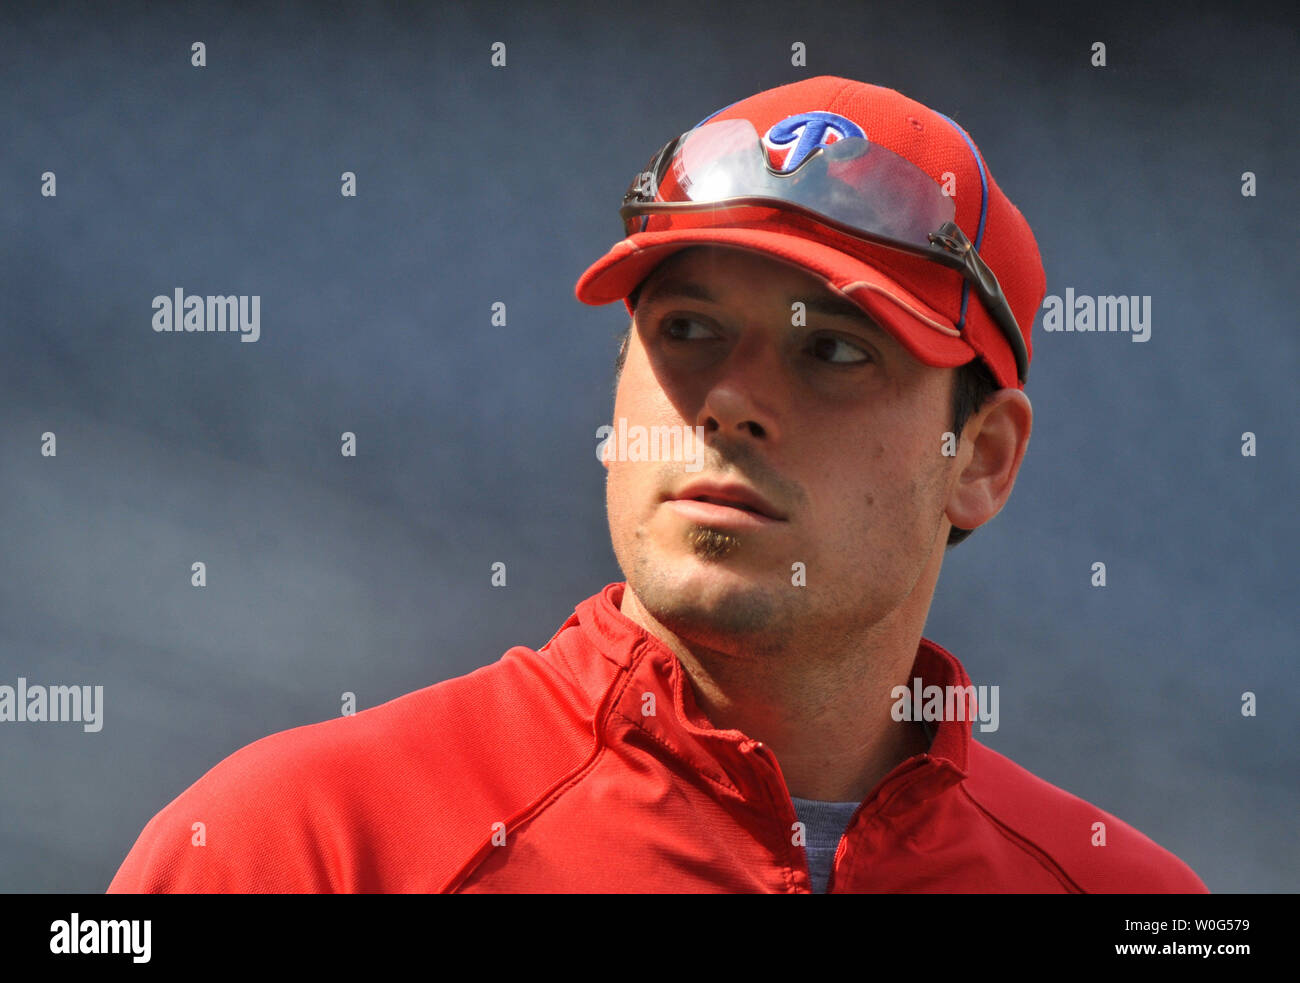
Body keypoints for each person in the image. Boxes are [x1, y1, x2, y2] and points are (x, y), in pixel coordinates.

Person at [108, 76, 1207, 893]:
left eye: (831, 350)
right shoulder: (295, 846)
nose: (729, 401)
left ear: (981, 459)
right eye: (685, 329)